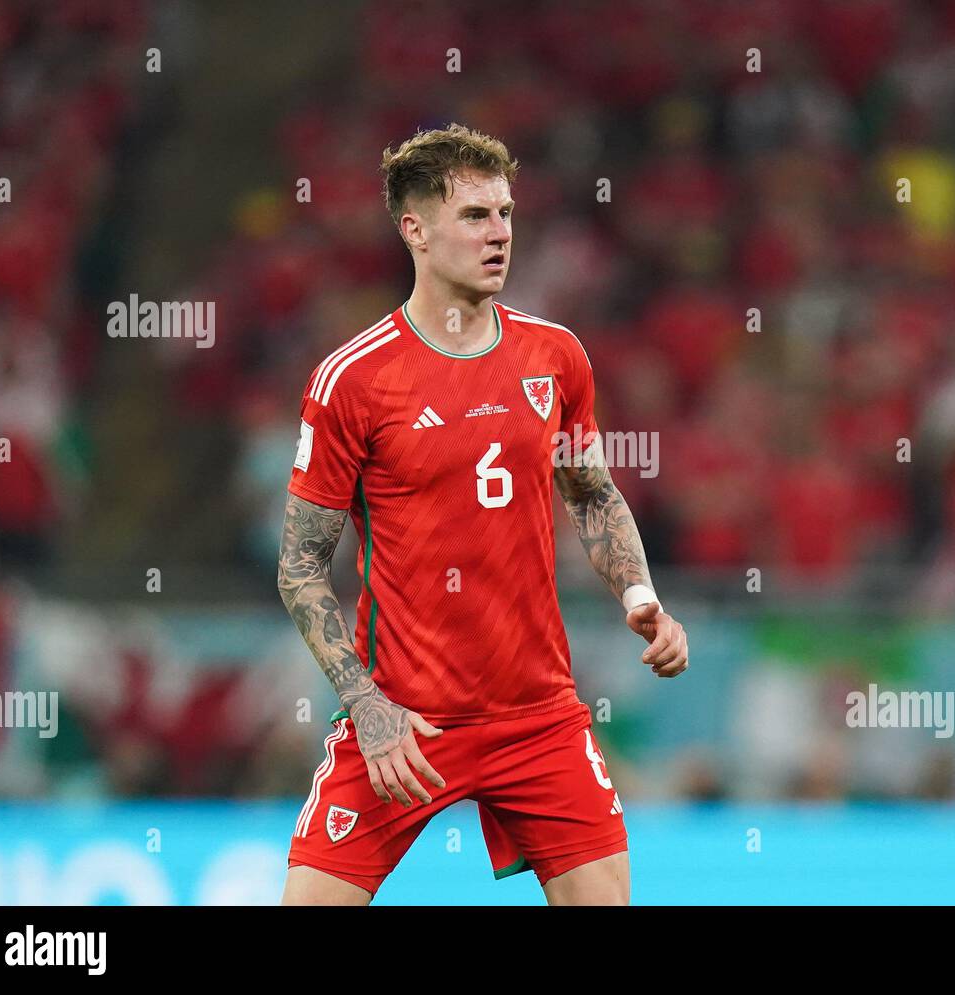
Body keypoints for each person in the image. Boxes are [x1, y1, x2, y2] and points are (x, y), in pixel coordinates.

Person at [277, 123, 688, 905]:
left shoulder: (555, 356)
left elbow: (593, 493)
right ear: (416, 231)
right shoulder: (353, 381)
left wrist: (641, 598)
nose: (499, 233)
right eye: (474, 216)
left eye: (505, 213)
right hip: (404, 716)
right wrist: (365, 704)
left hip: (537, 715)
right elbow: (299, 562)